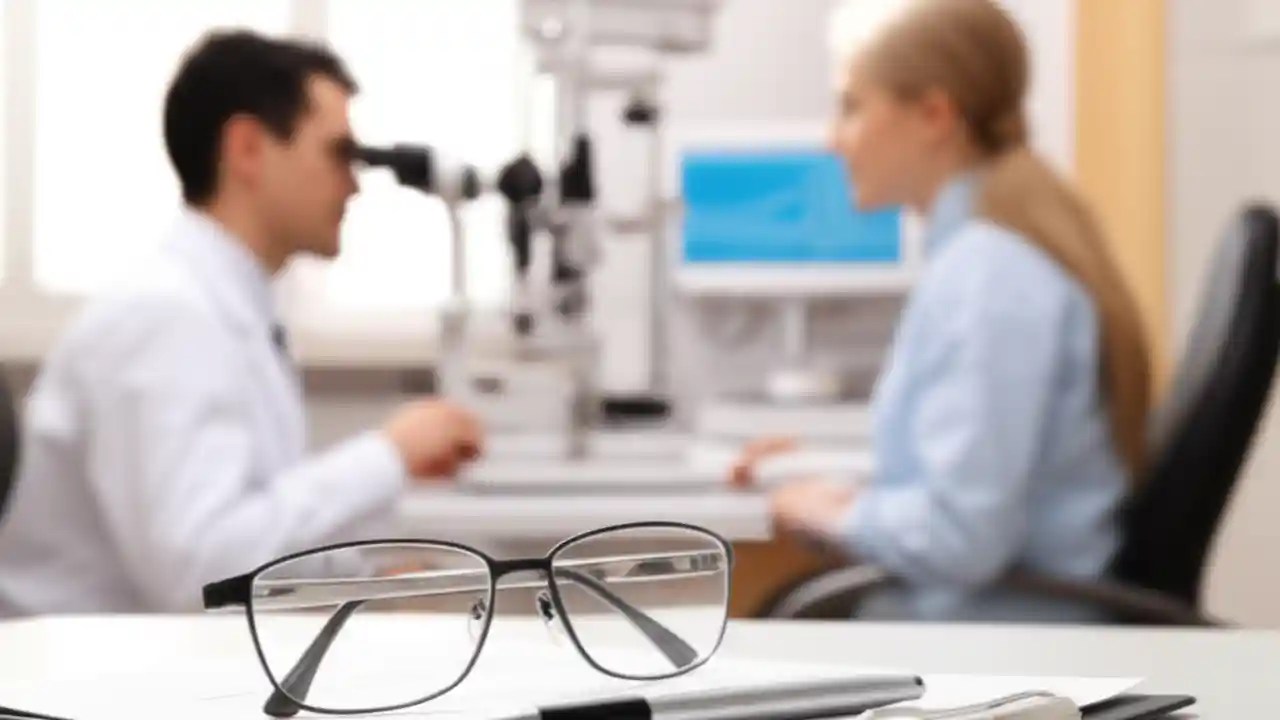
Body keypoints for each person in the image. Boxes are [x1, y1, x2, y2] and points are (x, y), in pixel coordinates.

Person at [0, 32, 483, 616]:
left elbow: (247, 538)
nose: (355, 184)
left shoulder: (229, 308)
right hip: (84, 681)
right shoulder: (166, 315)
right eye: (338, 154)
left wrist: (366, 577)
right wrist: (387, 454)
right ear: (248, 147)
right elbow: (200, 576)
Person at [733, 0, 1152, 620]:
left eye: (852, 106)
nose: (833, 139)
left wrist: (824, 508)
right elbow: (953, 482)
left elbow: (960, 539)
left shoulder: (990, 275)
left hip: (990, 643)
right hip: (986, 623)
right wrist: (808, 478)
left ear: (934, 114)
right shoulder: (991, 255)